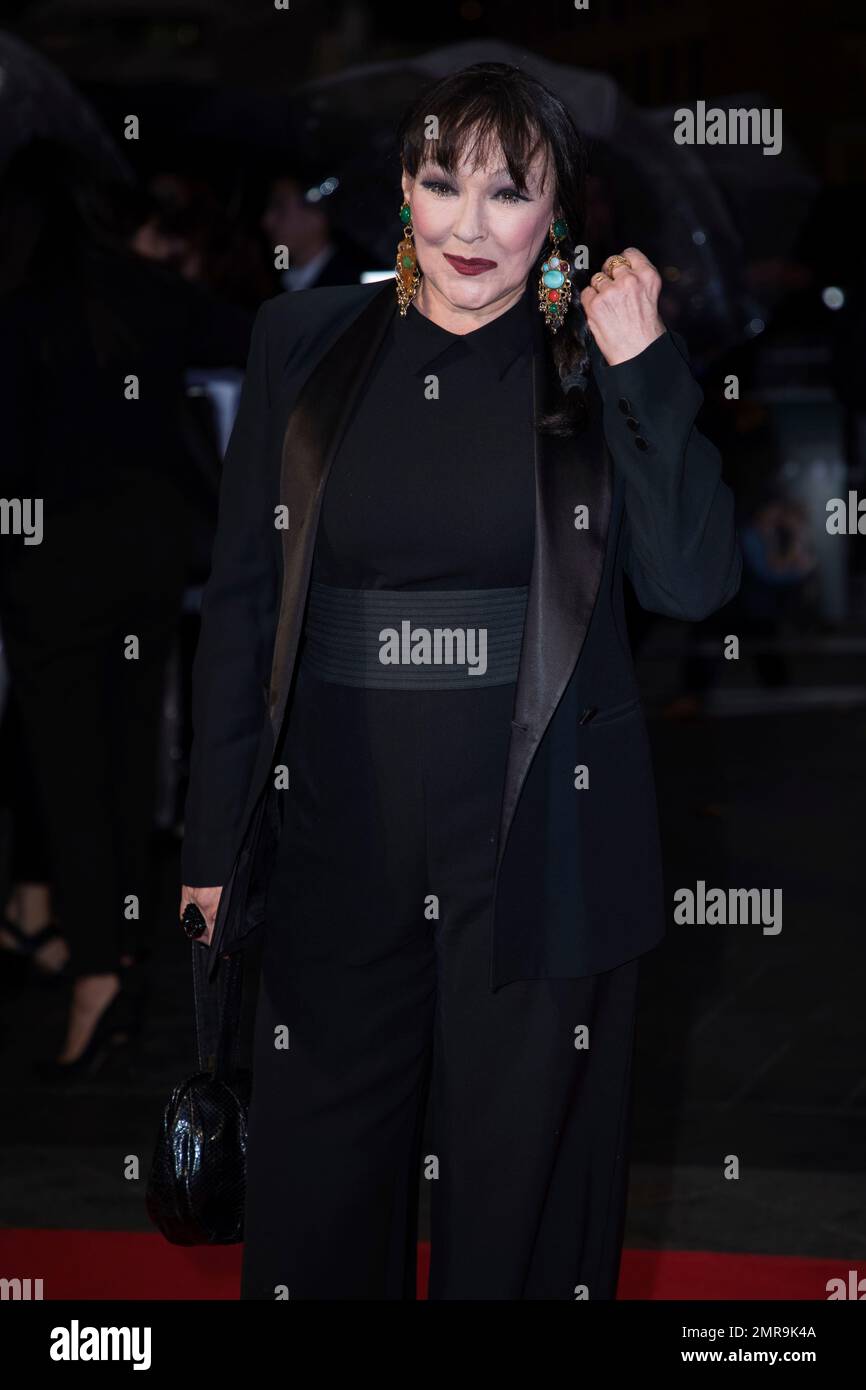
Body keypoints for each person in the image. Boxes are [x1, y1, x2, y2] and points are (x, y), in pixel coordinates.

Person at [179, 62, 741, 1300]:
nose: (468, 225)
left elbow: (696, 583)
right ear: (400, 190)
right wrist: (214, 844)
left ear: (557, 216)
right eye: (441, 183)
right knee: (318, 1192)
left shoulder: (595, 364)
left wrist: (646, 372)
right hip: (335, 834)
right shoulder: (304, 343)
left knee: (520, 1205)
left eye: (507, 192)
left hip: (538, 844)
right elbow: (242, 609)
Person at [0, 139, 253, 1078]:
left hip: (51, 570)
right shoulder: (146, 292)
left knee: (72, 780)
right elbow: (250, 337)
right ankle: (137, 954)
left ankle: (100, 972)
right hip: (147, 562)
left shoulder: (19, 312)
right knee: (132, 762)